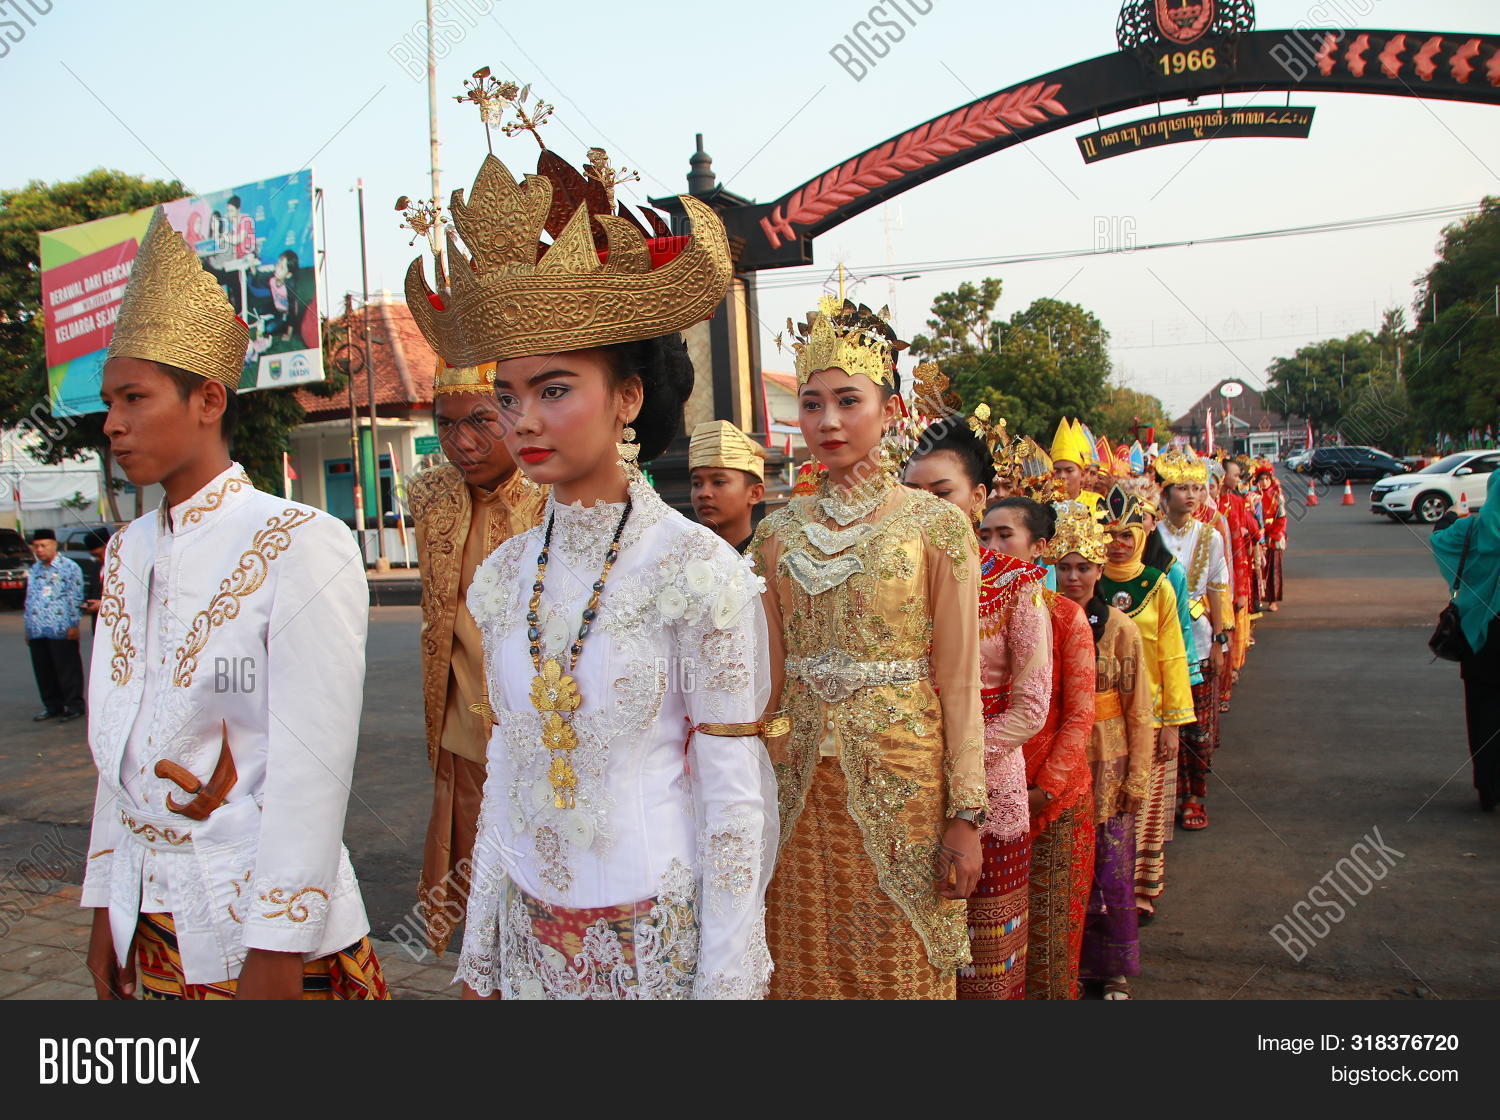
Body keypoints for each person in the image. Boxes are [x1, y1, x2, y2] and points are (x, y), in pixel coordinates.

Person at [405, 137, 777, 1000]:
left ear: (627, 398)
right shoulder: (504, 578)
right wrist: (482, 956)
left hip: (654, 941)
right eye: (508, 397)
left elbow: (733, 802)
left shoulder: (697, 571)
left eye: (555, 389)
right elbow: (507, 777)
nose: (523, 421)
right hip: (529, 936)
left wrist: (724, 980)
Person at [81, 208, 385, 1000]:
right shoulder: (126, 551)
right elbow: (121, 747)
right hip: (150, 913)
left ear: (208, 399)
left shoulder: (299, 540)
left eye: (134, 398)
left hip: (258, 913)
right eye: (109, 402)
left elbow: (312, 765)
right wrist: (105, 904)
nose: (112, 424)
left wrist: (278, 944)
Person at [754, 298, 986, 1000]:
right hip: (793, 787)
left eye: (848, 401)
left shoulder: (936, 526)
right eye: (812, 404)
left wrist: (966, 815)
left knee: (899, 968)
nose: (828, 421)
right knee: (798, 964)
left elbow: (960, 681)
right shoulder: (776, 533)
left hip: (904, 787)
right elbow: (764, 680)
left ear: (891, 412)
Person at [405, 359, 547, 956]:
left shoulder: (553, 490)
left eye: (481, 421)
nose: (462, 442)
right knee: (480, 886)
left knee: (546, 882)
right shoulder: (429, 494)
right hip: (463, 724)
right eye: (446, 424)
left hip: (547, 728)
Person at [906, 418, 1051, 1000]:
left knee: (987, 959)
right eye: (911, 493)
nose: (924, 507)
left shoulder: (1015, 584)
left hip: (988, 788)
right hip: (903, 789)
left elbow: (1031, 707)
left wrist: (951, 753)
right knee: (912, 955)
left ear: (978, 497)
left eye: (941, 493)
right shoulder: (889, 581)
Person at [986, 495, 1095, 999]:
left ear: (1039, 548)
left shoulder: (1065, 616)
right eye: (984, 535)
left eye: (1005, 535)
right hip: (985, 793)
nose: (992, 546)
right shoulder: (964, 609)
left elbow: (1079, 714)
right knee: (988, 949)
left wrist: (1045, 788)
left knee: (1049, 944)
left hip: (1052, 801)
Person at [1050, 506, 1154, 999]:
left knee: (1110, 867)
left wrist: (1138, 776)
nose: (1073, 577)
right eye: (1064, 567)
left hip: (1109, 760)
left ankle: (1112, 969)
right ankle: (1063, 964)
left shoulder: (1121, 628)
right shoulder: (1042, 620)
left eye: (1083, 568)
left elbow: (1140, 708)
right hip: (1058, 758)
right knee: (1064, 867)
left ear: (1099, 571)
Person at [1097, 482, 1193, 917]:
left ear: (1142, 536)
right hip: (1100, 719)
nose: (1117, 544)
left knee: (1145, 807)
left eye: (1126, 535)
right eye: (1110, 534)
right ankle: (1102, 894)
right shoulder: (1087, 580)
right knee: (1105, 808)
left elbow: (1172, 656)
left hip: (1148, 719)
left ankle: (1140, 890)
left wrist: (1172, 723)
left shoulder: (1159, 585)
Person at [1154, 447, 1230, 832]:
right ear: (1164, 492)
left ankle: (1193, 797)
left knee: (1196, 727)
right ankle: (1162, 796)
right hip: (1157, 640)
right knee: (1160, 723)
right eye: (1182, 487)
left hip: (1198, 639)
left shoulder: (1210, 536)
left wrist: (1220, 640)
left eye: (1197, 488)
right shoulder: (1149, 536)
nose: (1191, 495)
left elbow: (1218, 588)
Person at [1431, 495, 1500, 811]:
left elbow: (1440, 540)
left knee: (1482, 711)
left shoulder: (1470, 530)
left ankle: (1488, 787)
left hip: (1479, 636)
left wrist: (1449, 516)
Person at [23, 528, 85, 722]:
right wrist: (27, 626)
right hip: (37, 628)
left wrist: (74, 623)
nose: (39, 550)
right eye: (36, 546)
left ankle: (74, 705)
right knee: (44, 671)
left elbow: (75, 596)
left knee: (67, 669)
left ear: (54, 545)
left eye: (44, 545)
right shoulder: (35, 569)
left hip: (61, 627)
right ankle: (52, 706)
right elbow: (29, 598)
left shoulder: (69, 567)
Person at [688, 419, 767, 553]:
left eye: (718, 482)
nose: (703, 493)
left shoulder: (771, 558)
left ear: (755, 493)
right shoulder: (680, 558)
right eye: (697, 484)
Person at [1048, 418, 1104, 514]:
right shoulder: (1045, 505)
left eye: (1069, 470)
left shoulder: (1096, 503)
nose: (1062, 476)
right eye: (1057, 471)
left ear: (1082, 474)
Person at [1255, 462, 1286, 609]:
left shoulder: (1277, 496)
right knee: (1259, 571)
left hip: (1273, 538)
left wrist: (1273, 535)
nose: (1264, 482)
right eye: (1261, 479)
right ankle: (1258, 599)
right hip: (1259, 538)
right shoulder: (1254, 497)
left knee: (1274, 571)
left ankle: (1273, 600)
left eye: (1266, 479)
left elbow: (1282, 518)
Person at [79, 528, 111, 633]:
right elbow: (91, 592)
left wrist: (102, 604)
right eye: (93, 556)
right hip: (98, 626)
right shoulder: (96, 566)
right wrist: (87, 604)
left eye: (98, 554)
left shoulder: (122, 567)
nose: (96, 559)